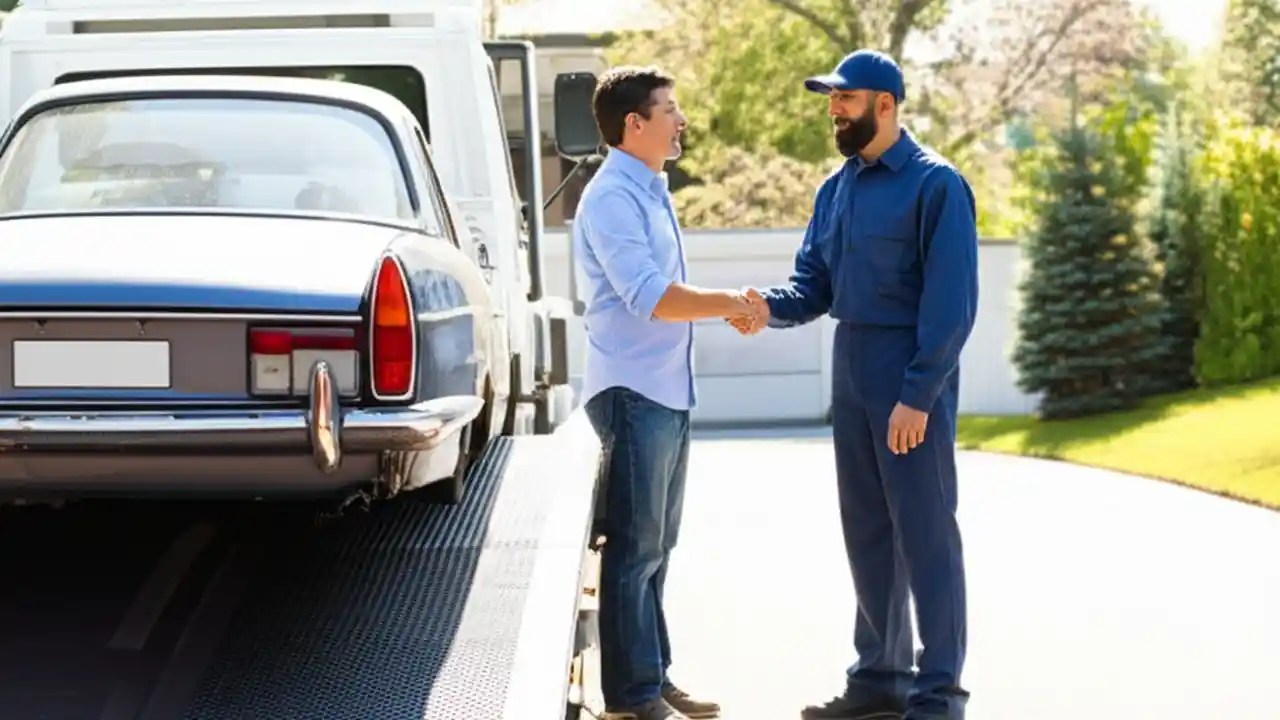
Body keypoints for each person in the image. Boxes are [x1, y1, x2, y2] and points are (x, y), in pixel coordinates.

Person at [731, 49, 979, 720]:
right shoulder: (835, 189)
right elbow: (814, 285)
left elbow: (951, 305)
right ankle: (880, 679)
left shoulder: (937, 185)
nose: (834, 109)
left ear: (887, 105)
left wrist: (919, 393)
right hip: (853, 362)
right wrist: (769, 307)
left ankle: (940, 693)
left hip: (906, 368)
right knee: (868, 529)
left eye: (846, 98)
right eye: (830, 99)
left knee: (925, 534)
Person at [573, 65, 757, 720]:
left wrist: (720, 308)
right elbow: (649, 297)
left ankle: (652, 676)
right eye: (670, 109)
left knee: (657, 546)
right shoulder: (611, 200)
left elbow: (669, 295)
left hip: (665, 390)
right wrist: (731, 302)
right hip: (631, 391)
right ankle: (631, 697)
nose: (681, 121)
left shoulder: (650, 189)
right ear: (635, 124)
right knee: (633, 546)